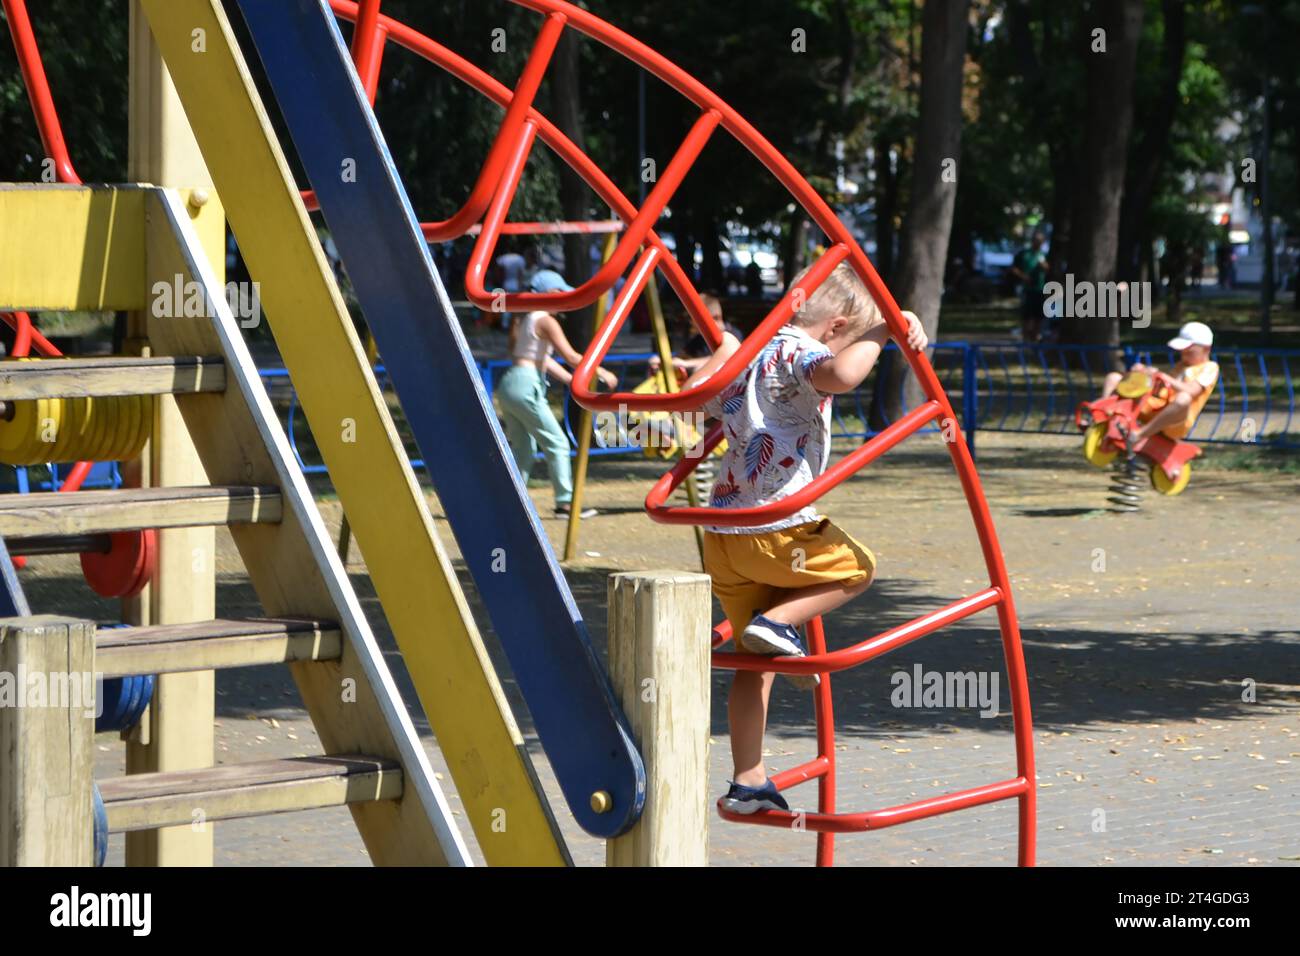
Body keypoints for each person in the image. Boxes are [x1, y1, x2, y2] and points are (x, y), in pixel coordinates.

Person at [678, 261, 927, 813]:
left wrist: (721, 356)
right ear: (838, 328)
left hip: (724, 534)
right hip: (777, 524)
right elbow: (840, 376)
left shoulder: (749, 355)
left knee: (753, 661)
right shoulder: (794, 350)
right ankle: (779, 622)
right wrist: (884, 333)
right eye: (855, 337)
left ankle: (748, 778)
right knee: (856, 567)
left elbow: (695, 400)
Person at [496, 271, 617, 518]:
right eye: (559, 293)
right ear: (547, 294)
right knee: (558, 443)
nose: (563, 298)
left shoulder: (525, 318)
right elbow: (571, 356)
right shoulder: (547, 321)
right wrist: (602, 371)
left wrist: (573, 381)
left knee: (523, 449)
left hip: (510, 384)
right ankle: (565, 503)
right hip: (526, 384)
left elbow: (543, 360)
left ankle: (509, 502)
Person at [1099, 321, 1219, 449]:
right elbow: (1162, 387)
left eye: (1188, 351)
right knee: (1114, 378)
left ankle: (1139, 435)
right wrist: (1145, 373)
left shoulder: (1210, 367)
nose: (1183, 355)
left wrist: (1161, 375)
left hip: (1176, 422)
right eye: (1182, 351)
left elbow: (1191, 391)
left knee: (1183, 398)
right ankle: (1102, 416)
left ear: (1206, 349)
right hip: (1158, 409)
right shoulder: (1181, 366)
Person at [1009, 231, 1048, 343]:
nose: (1038, 243)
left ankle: (1035, 339)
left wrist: (1045, 267)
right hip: (1027, 289)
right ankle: (1025, 340)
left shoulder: (1043, 255)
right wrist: (1023, 276)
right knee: (1027, 316)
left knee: (1038, 317)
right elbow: (1013, 268)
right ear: (1032, 241)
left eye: (1040, 241)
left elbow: (1049, 270)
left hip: (1040, 289)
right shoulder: (1024, 254)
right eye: (1036, 240)